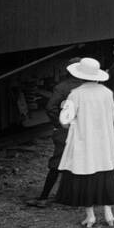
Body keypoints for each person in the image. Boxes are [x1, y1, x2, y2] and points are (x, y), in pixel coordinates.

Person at [55, 57, 114, 228]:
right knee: (104, 174)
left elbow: (64, 121)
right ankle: (108, 214)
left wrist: (68, 112)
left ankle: (90, 216)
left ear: (80, 76)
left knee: (86, 175)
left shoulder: (76, 94)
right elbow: (112, 116)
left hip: (84, 141)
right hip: (104, 141)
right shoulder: (107, 93)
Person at [26, 69, 77, 209]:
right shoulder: (92, 87)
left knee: (57, 163)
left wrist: (59, 124)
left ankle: (44, 197)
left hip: (66, 130)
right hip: (84, 131)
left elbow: (51, 108)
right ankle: (75, 197)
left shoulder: (62, 87)